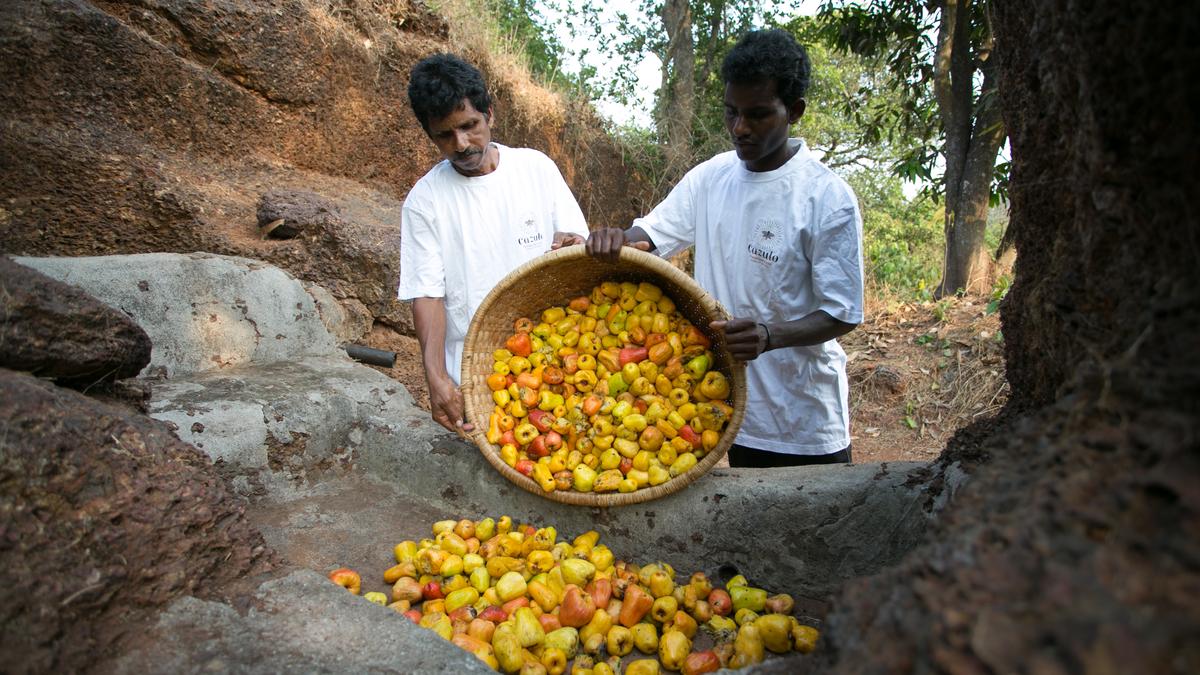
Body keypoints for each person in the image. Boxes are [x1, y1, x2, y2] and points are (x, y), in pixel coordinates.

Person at [586, 29, 864, 467]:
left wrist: (771, 336)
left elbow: (842, 311)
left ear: (794, 112)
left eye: (757, 115)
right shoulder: (711, 177)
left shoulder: (826, 197)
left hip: (802, 422)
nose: (739, 129)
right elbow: (652, 238)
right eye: (731, 112)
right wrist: (615, 239)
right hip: (729, 408)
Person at [398, 54, 588, 433]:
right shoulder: (425, 201)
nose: (462, 143)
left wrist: (573, 243)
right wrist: (435, 376)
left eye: (470, 126)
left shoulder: (536, 169)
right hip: (479, 381)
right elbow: (427, 294)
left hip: (557, 368)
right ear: (429, 134)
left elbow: (576, 250)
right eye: (445, 135)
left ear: (490, 114)